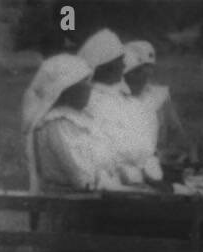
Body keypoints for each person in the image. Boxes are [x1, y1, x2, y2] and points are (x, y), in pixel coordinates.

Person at [22, 53, 125, 193]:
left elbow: (110, 163)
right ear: (67, 88)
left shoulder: (80, 120)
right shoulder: (58, 125)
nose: (90, 87)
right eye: (85, 81)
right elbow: (83, 179)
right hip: (70, 204)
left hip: (95, 199)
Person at [78, 28, 163, 185]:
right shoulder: (90, 102)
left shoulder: (125, 100)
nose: (124, 65)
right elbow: (106, 152)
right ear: (106, 65)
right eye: (120, 60)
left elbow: (145, 146)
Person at [122, 40, 191, 168]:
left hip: (159, 166)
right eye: (139, 70)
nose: (147, 73)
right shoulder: (114, 98)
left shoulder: (159, 97)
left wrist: (172, 153)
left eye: (149, 68)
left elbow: (178, 138)